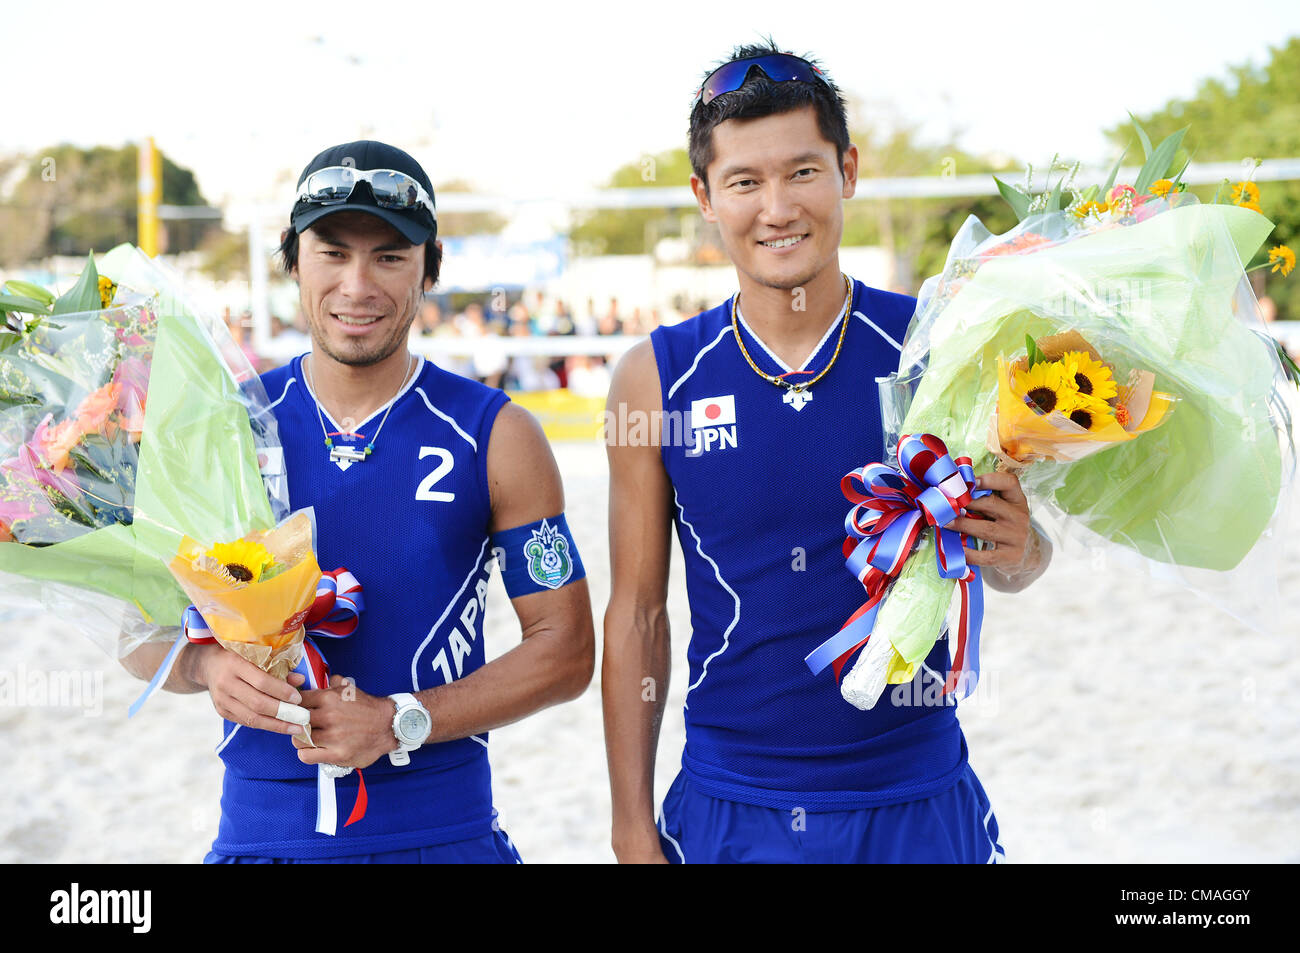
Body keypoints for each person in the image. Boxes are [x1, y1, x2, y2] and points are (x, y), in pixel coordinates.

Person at [602, 44, 1051, 864]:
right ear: (705, 196)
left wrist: (1023, 551)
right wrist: (631, 826)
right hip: (734, 804)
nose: (776, 207)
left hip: (914, 796)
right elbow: (637, 613)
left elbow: (1013, 558)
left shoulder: (938, 344)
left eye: (801, 171)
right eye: (744, 182)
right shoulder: (655, 378)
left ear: (846, 170)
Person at [123, 140, 594, 863]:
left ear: (429, 268)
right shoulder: (222, 424)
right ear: (293, 260)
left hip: (443, 836)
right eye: (333, 252)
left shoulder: (496, 434)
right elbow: (137, 629)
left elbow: (566, 651)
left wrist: (402, 719)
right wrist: (206, 668)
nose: (358, 285)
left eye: (390, 257)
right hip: (263, 837)